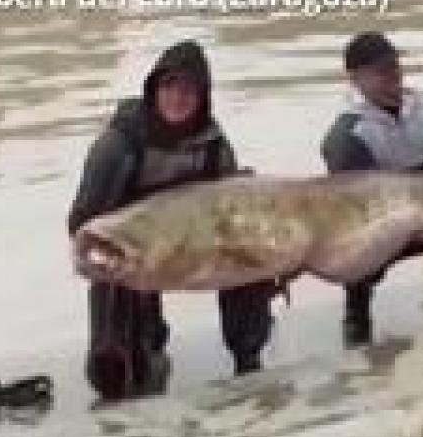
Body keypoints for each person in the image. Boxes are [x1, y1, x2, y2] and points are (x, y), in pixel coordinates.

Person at [68, 40, 277, 402]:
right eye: (168, 86)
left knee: (250, 251)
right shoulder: (118, 144)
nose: (177, 97)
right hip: (135, 252)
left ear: (202, 97)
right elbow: (82, 224)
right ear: (153, 90)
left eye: (188, 90)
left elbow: (232, 211)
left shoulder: (214, 143)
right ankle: (142, 352)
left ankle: (248, 357)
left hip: (196, 247)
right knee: (113, 374)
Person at [320, 31, 423, 348]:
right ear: (356, 79)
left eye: (396, 69)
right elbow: (359, 206)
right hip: (379, 228)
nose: (393, 80)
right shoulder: (347, 136)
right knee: (355, 258)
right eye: (381, 73)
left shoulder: (422, 109)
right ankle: (357, 323)